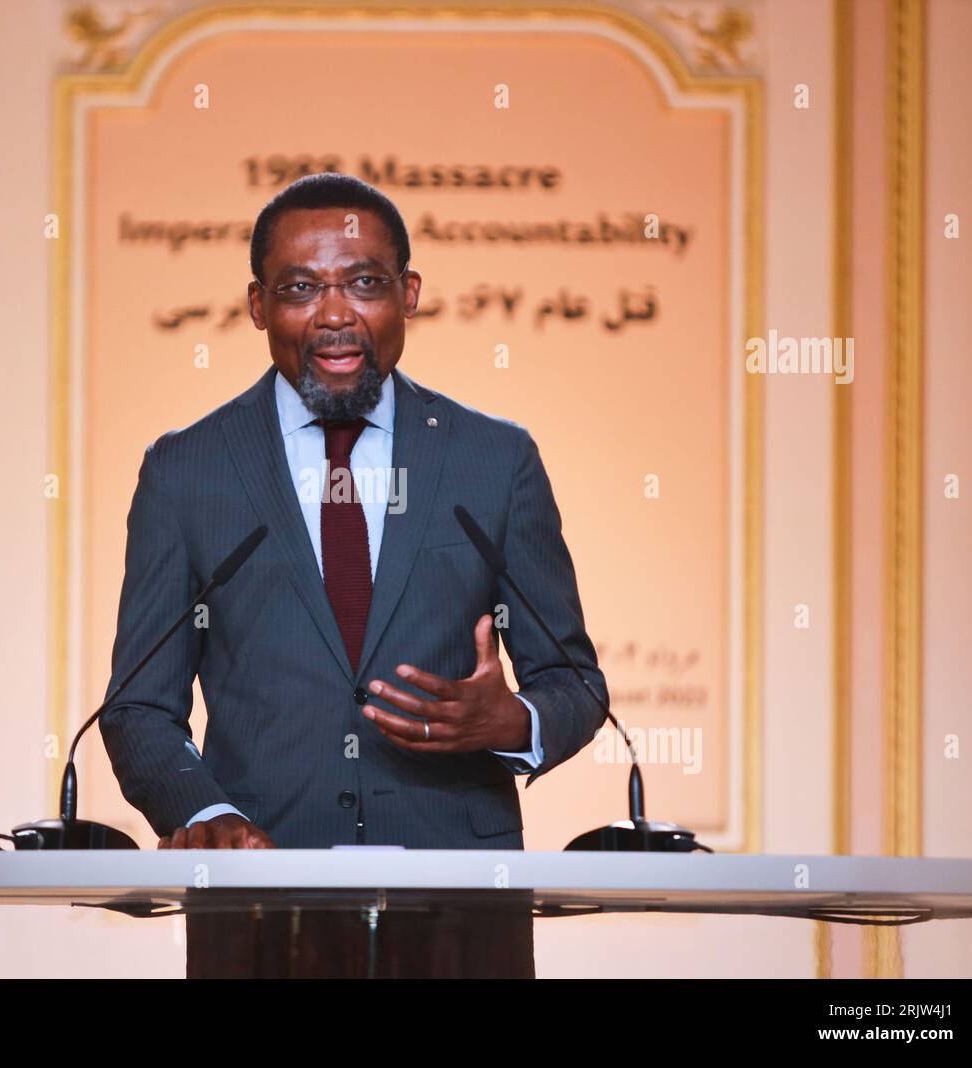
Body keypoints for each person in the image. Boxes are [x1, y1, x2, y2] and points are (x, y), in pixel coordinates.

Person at [99, 172, 607, 976]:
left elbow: (575, 682)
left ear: (407, 294)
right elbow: (135, 709)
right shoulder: (185, 470)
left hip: (460, 899)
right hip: (258, 902)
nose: (335, 313)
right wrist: (210, 815)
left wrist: (510, 724)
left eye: (364, 283)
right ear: (259, 305)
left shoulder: (493, 461)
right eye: (300, 288)